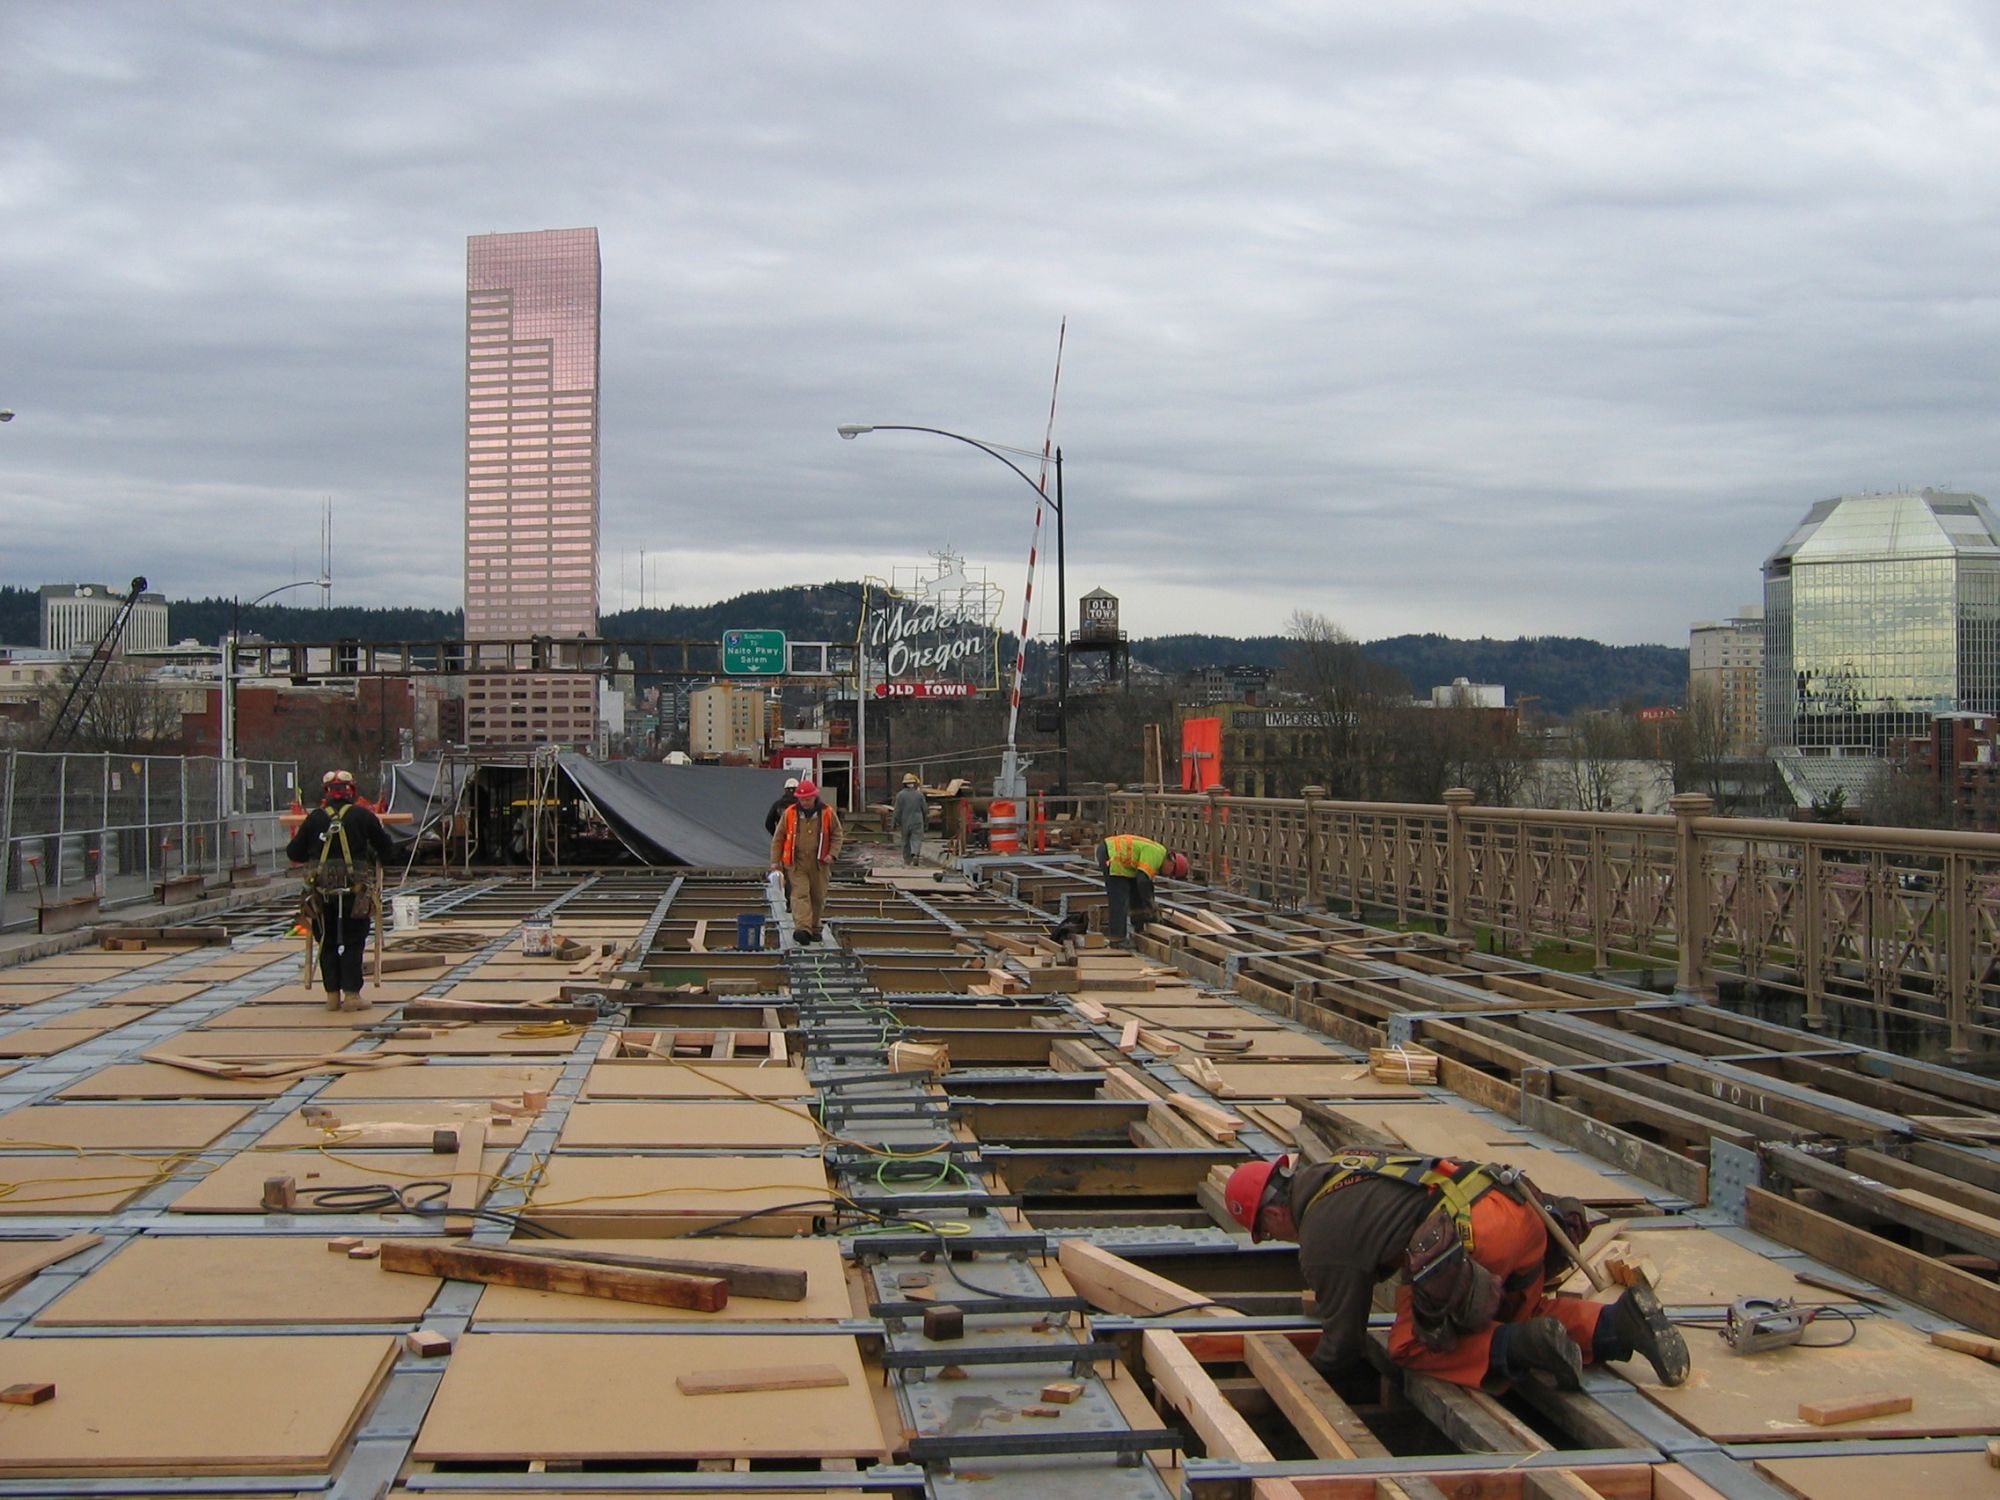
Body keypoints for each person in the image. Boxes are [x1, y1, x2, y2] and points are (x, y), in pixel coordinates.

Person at [1221, 1151, 1688, 1393]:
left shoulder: (1320, 1235)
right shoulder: (1347, 1167)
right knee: (1525, 1309)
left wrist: (1306, 1376)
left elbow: (1342, 1342)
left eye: (1268, 1232)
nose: (1282, 1240)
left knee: (1409, 1342)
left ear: (1273, 1215)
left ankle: (1525, 1347)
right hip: (1523, 1212)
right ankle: (1620, 1323)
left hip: (1471, 1239)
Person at [286, 769, 395, 1012]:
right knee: (354, 941)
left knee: (326, 941)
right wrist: (369, 854)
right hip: (355, 893)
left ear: (326, 793)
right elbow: (387, 850)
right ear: (352, 792)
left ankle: (332, 996)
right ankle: (352, 995)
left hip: (321, 893)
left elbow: (294, 853)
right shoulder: (363, 817)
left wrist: (315, 852)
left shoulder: (315, 818)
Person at [770, 777, 842, 944]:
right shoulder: (789, 813)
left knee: (817, 897)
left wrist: (832, 854)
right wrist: (775, 861)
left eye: (808, 799)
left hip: (820, 864)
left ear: (814, 797)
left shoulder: (827, 813)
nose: (805, 802)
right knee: (799, 895)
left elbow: (837, 835)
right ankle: (803, 929)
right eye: (802, 799)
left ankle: (815, 928)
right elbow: (778, 838)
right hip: (796, 863)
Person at [1095, 833, 1189, 943]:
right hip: (1112, 855)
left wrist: (1147, 909)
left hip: (1119, 859)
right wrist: (1151, 905)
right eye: (1171, 874)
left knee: (1135, 893)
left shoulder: (1157, 855)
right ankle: (1117, 939)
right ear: (1172, 863)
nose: (1168, 876)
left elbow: (1142, 885)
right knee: (1119, 900)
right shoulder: (1157, 855)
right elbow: (1143, 881)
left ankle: (1138, 925)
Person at [893, 772, 928, 863]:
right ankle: (915, 854)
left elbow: (897, 810)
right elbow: (925, 809)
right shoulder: (919, 795)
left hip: (905, 821)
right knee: (916, 838)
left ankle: (907, 860)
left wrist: (894, 822)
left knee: (905, 841)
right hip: (917, 821)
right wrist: (926, 821)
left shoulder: (900, 795)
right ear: (914, 783)